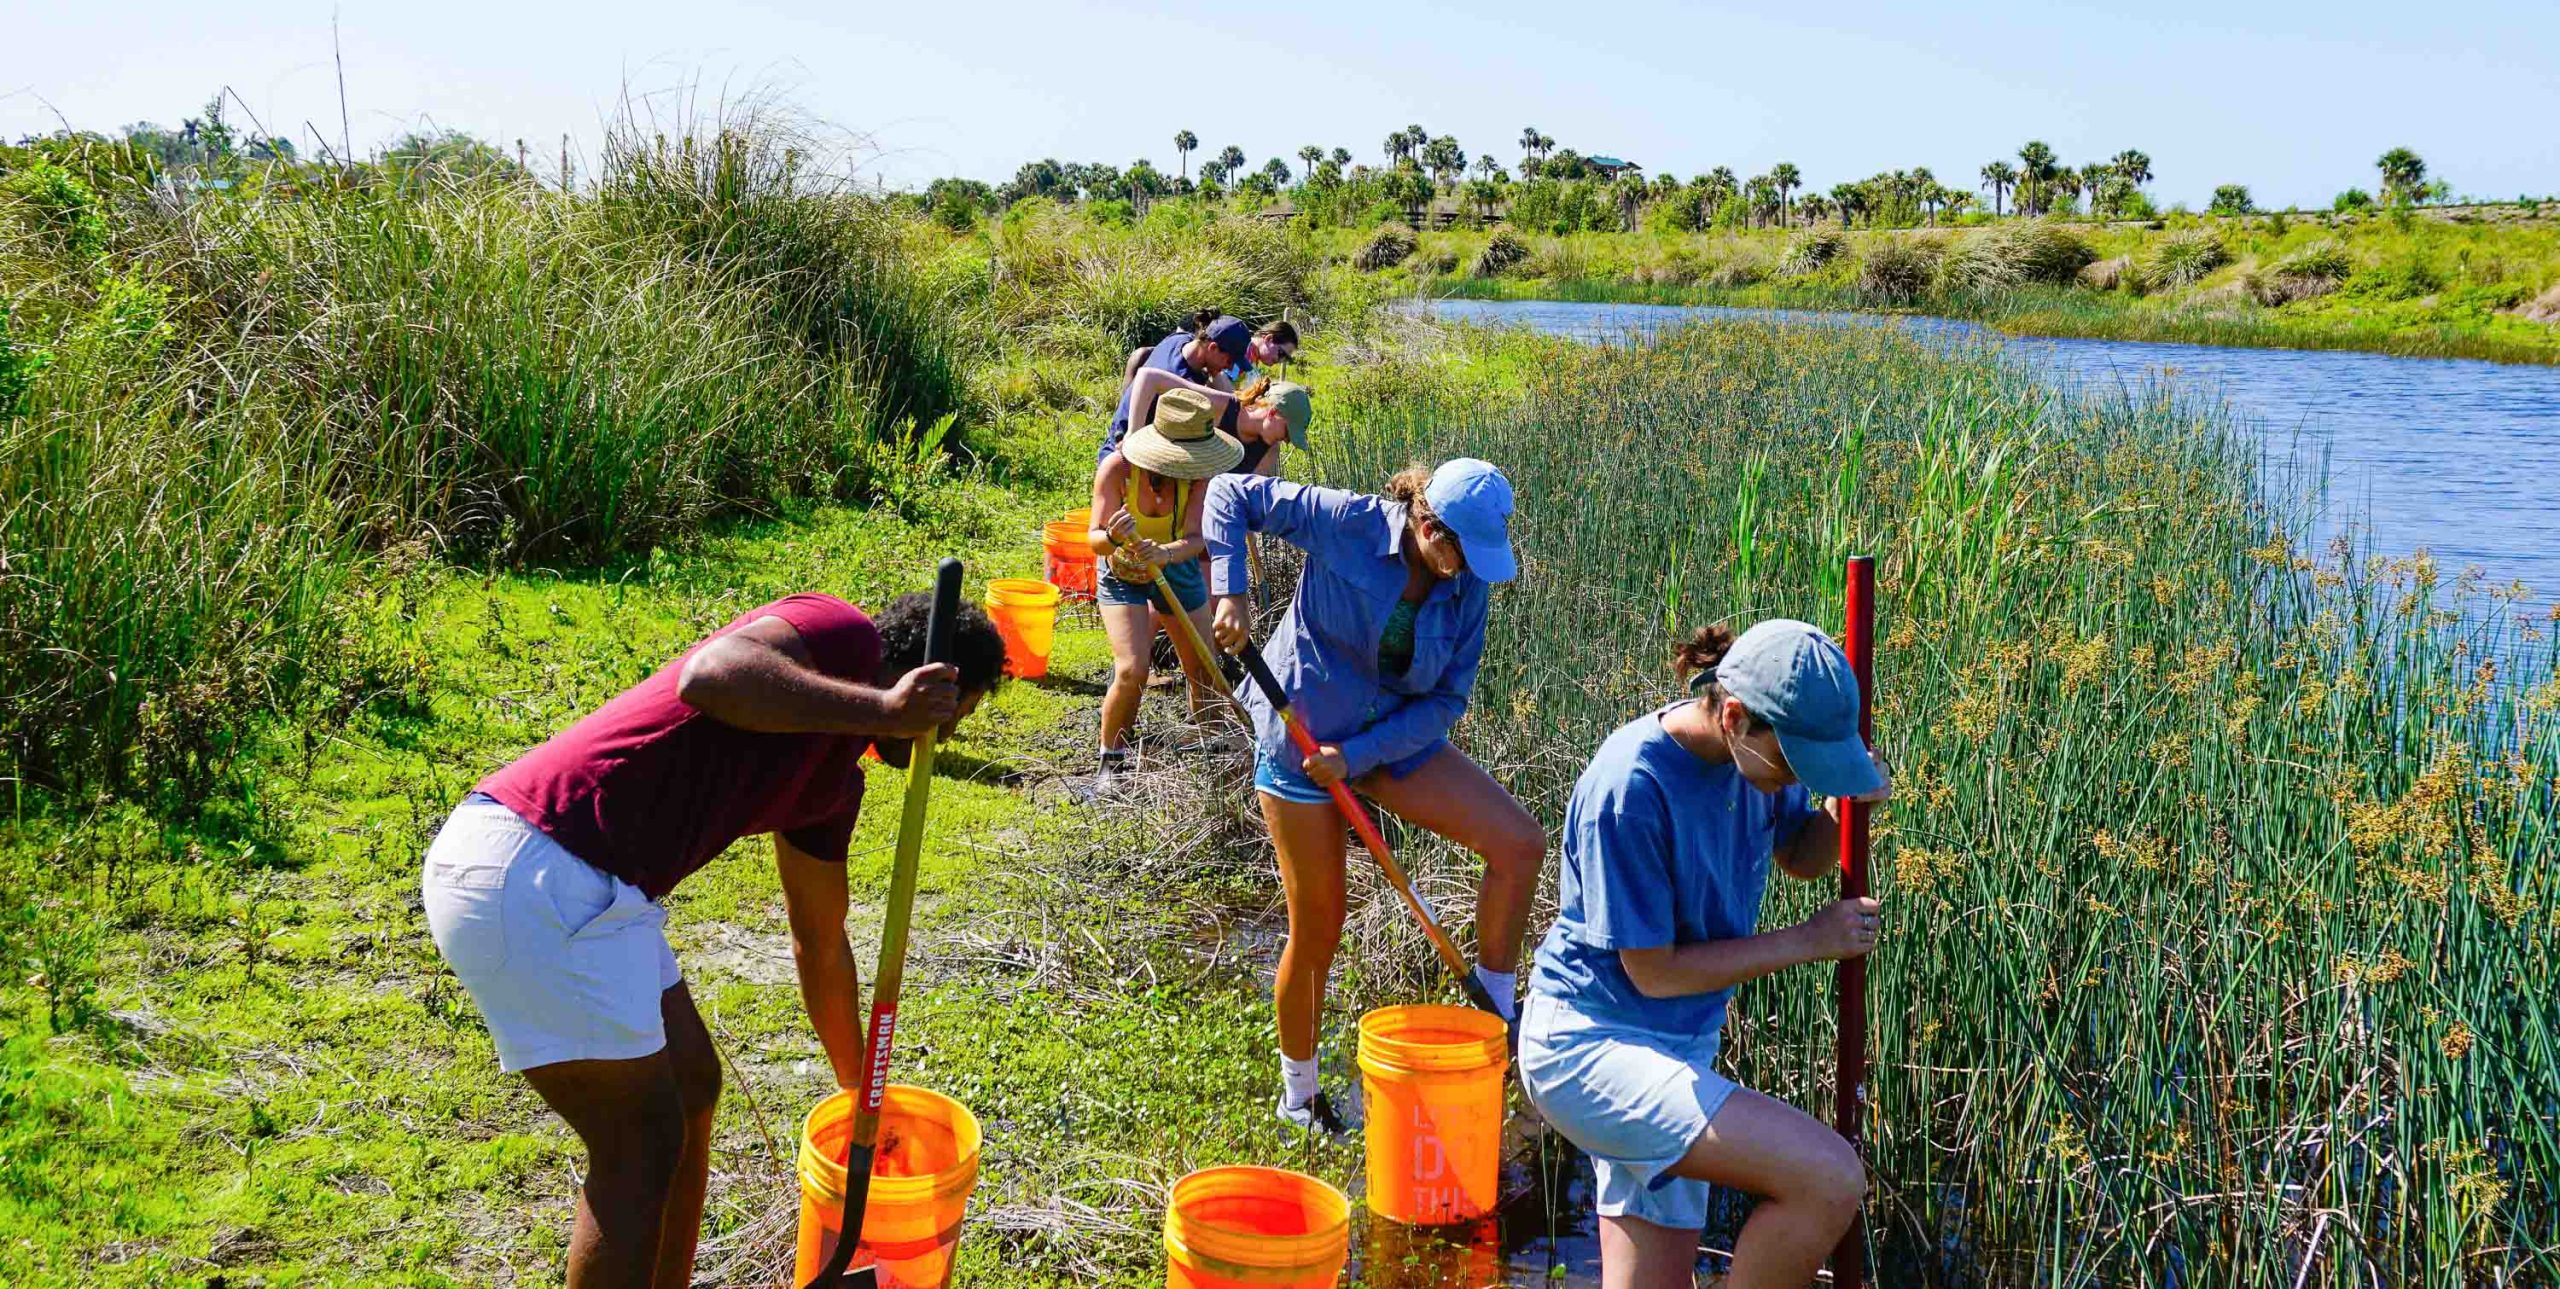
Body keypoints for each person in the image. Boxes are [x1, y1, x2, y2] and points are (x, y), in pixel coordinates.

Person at [420, 591, 1007, 1288]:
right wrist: (882, 712)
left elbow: (818, 944)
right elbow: (711, 672)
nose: (938, 743)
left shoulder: (829, 788)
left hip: (600, 891)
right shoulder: (842, 636)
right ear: (928, 684)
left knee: (692, 1084)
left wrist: (862, 1100)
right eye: (952, 718)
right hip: (537, 865)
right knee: (640, 1143)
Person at [1518, 620, 1892, 1289]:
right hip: (1588, 1046)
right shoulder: (1630, 787)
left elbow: (1799, 854)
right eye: (1793, 762)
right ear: (1734, 716)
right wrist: (1807, 940)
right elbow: (1653, 972)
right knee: (1829, 1179)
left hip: (1678, 1047)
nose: (1792, 779)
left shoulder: (1753, 758)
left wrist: (1842, 807)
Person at [1204, 460, 1546, 1135]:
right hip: (1300, 737)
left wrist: (1357, 757)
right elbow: (1228, 492)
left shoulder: (1468, 585)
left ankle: (1492, 1019)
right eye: (1456, 552)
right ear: (1425, 523)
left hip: (1384, 742)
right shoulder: (1349, 523)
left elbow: (1447, 698)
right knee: (1319, 928)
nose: (1464, 570)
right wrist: (1230, 594)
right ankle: (1299, 1098)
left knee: (1521, 843)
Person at [1088, 386, 1247, 796]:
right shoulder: (1118, 471)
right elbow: (1094, 541)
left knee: (1203, 668)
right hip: (1120, 571)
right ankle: (1112, 760)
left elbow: (1196, 540)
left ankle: (1213, 751)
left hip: (1174, 570)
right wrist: (1112, 535)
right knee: (1132, 670)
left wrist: (1164, 552)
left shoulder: (1199, 480)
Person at [1098, 314, 1298, 463]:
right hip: (1123, 454)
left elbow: (1229, 401)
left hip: (1134, 447)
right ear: (1211, 348)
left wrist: (1214, 370)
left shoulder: (1181, 340)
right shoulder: (1182, 384)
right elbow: (1228, 412)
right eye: (1229, 360)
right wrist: (1132, 435)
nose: (1230, 368)